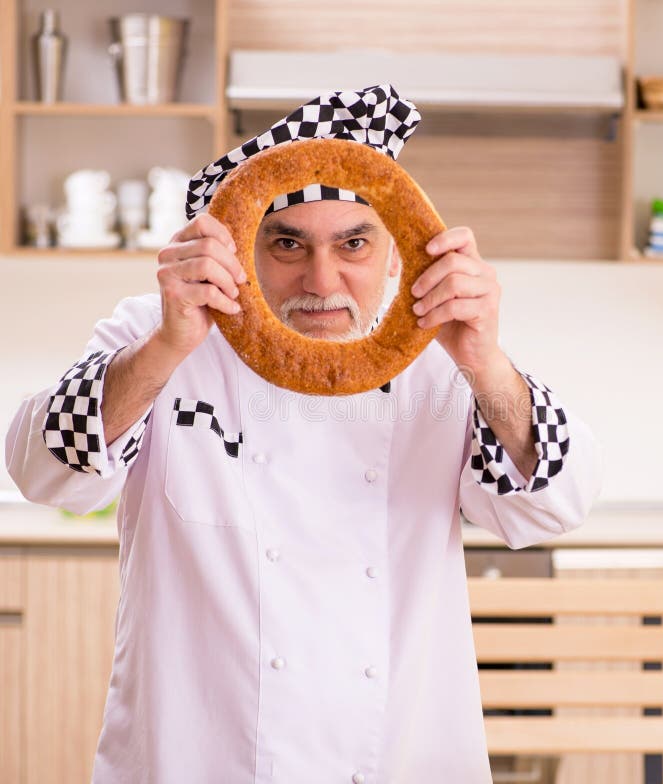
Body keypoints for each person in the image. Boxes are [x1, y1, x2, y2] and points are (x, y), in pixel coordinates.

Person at [5, 85, 602, 783]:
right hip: (198, 761)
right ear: (245, 249)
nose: (322, 280)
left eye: (353, 242)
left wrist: (486, 363)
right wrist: (167, 349)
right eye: (288, 244)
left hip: (394, 761)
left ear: (394, 254)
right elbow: (43, 472)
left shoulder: (440, 362)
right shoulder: (158, 331)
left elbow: (554, 506)